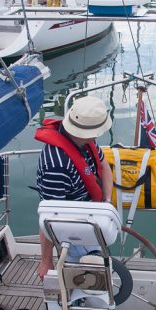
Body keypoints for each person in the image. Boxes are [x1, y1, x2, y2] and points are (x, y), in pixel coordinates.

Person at [35, 96, 114, 280]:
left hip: (93, 215)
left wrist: (107, 204)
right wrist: (46, 261)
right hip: (71, 229)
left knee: (96, 270)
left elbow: (104, 167)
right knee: (89, 279)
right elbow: (49, 217)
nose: (97, 136)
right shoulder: (56, 165)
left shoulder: (86, 141)